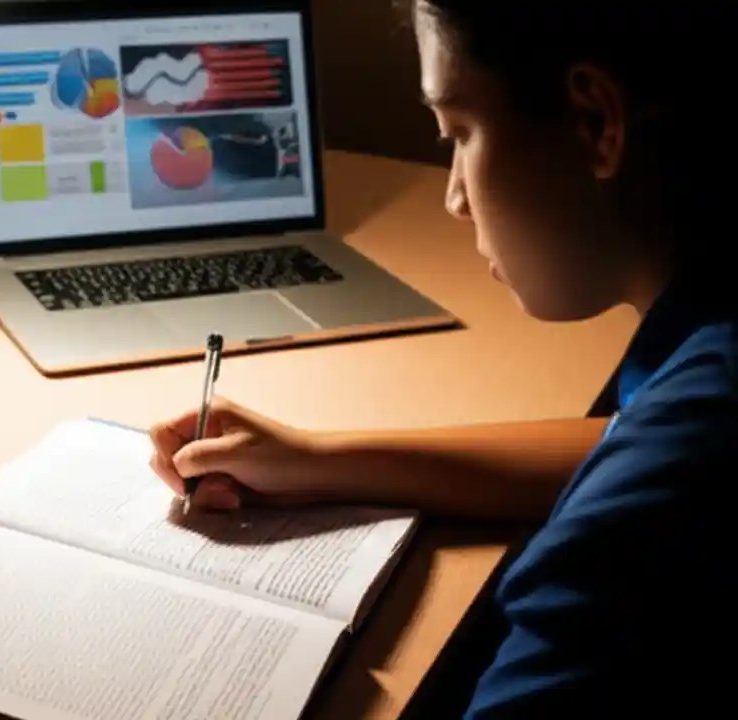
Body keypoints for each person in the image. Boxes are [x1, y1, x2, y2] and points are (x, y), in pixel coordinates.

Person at [148, 1, 736, 716]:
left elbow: (648, 468)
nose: (455, 196)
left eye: (460, 131)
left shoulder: (661, 500)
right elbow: (618, 443)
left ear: (596, 124)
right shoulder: (700, 385)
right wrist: (315, 458)